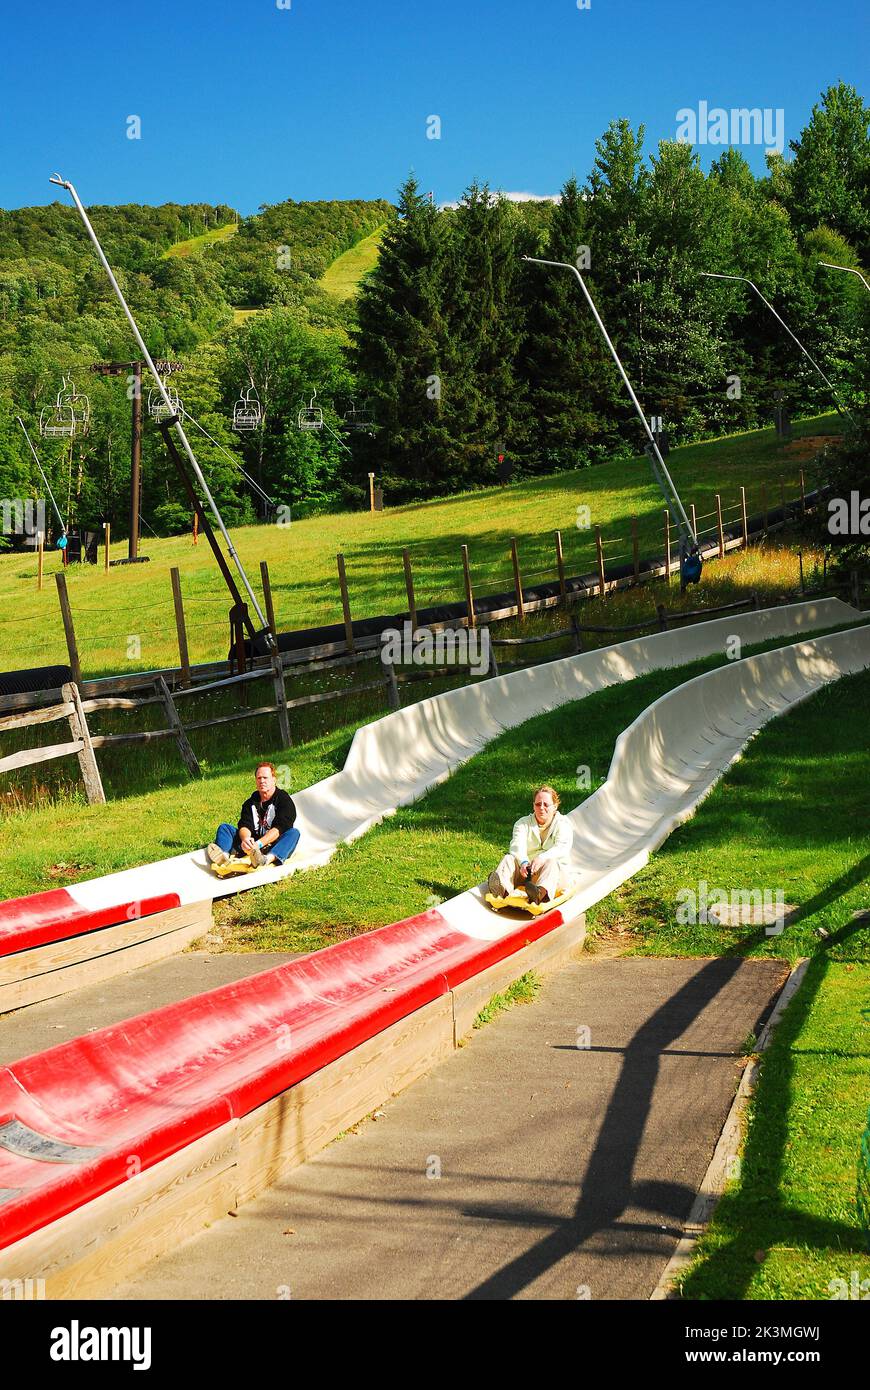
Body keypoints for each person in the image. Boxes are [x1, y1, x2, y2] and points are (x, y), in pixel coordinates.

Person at [487, 785, 572, 905]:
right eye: (538, 804)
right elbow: (517, 845)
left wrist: (543, 858)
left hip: (553, 875)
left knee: (551, 862)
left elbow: (562, 847)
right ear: (533, 806)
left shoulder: (563, 824)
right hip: (527, 873)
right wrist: (523, 862)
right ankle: (501, 890)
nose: (541, 808)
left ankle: (539, 894)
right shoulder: (522, 824)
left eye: (546, 804)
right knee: (509, 858)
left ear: (555, 806)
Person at [207, 762, 299, 869]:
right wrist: (246, 840)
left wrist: (258, 844)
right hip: (252, 845)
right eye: (259, 778)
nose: (262, 781)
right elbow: (244, 825)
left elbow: (280, 828)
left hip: (273, 844)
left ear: (274, 780)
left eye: (265, 777)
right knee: (225, 828)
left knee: (293, 833)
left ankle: (265, 860)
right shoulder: (250, 803)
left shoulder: (284, 800)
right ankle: (224, 858)